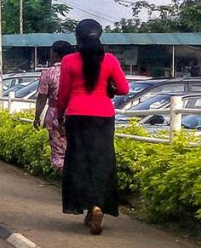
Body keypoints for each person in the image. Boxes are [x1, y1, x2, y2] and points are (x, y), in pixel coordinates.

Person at [57, 19, 129, 235]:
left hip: (77, 117)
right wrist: (109, 89)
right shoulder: (110, 60)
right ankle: (98, 206)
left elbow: (63, 94)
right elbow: (124, 88)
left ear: (77, 39)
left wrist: (60, 117)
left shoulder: (69, 61)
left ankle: (89, 207)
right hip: (104, 117)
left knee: (79, 163)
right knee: (102, 163)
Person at [33, 40, 76, 173]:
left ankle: (67, 181)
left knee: (58, 154)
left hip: (55, 115)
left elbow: (42, 98)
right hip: (76, 113)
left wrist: (37, 117)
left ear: (56, 53)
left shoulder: (48, 73)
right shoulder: (76, 70)